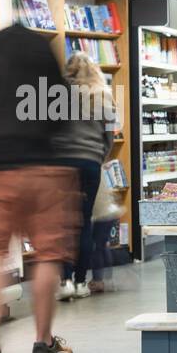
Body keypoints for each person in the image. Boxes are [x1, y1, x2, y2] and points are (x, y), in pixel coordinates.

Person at [0, 20, 80, 353]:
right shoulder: (42, 50)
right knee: (48, 256)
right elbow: (63, 110)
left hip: (0, 168)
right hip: (46, 167)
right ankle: (43, 344)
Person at [56, 53, 115, 300]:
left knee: (64, 223)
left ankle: (65, 280)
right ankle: (81, 282)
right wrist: (99, 157)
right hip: (90, 162)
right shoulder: (104, 94)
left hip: (64, 164)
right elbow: (110, 134)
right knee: (84, 222)